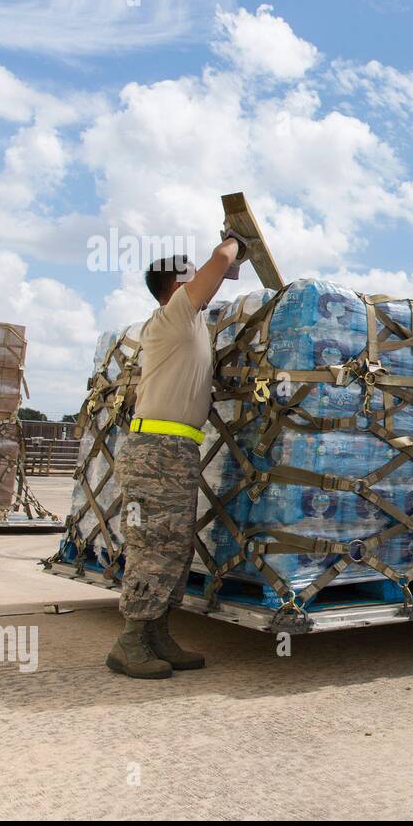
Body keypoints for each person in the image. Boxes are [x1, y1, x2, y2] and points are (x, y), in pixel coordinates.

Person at [106, 231, 249, 679]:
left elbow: (220, 273)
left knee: (173, 547)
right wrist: (235, 240)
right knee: (152, 545)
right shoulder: (174, 316)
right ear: (177, 285)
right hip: (156, 453)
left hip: (176, 450)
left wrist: (232, 264)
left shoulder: (192, 325)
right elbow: (219, 262)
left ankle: (157, 635)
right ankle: (129, 641)